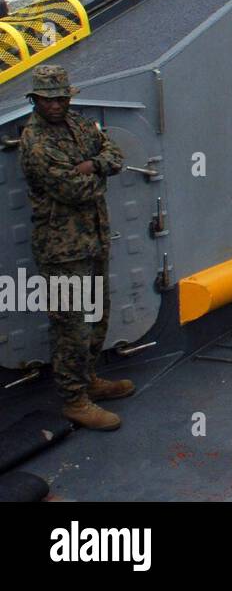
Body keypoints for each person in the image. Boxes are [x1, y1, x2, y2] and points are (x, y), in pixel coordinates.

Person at [19, 65, 130, 432]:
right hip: (62, 248)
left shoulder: (78, 123)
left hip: (93, 238)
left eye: (62, 97)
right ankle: (74, 400)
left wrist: (91, 165)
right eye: (49, 99)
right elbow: (73, 190)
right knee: (72, 325)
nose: (57, 104)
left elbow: (114, 151)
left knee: (97, 315)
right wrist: (98, 172)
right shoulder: (37, 141)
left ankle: (90, 378)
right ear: (36, 99)